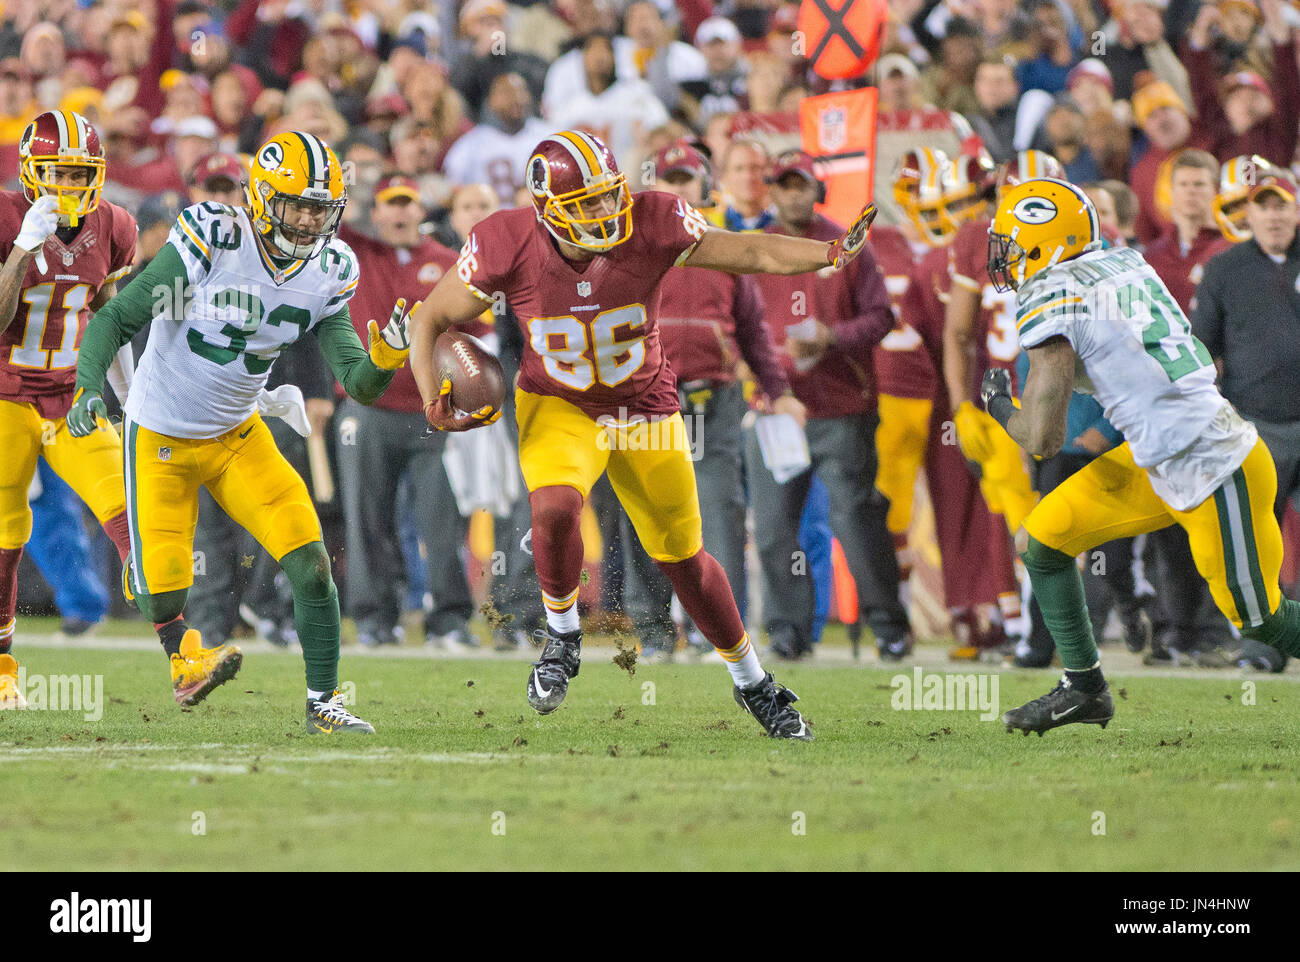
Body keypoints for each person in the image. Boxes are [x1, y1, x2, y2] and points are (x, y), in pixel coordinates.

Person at [410, 130, 878, 740]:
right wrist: (430, 399)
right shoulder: (505, 241)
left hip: (645, 407)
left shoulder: (653, 221)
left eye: (610, 197)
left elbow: (750, 252)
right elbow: (430, 319)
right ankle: (561, 634)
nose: (607, 213)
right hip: (559, 405)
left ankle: (754, 684)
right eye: (588, 204)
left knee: (683, 558)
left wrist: (827, 252)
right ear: (547, 208)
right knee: (553, 505)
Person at [69, 131, 414, 734]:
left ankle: (324, 704)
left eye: (320, 208)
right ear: (261, 198)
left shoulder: (332, 269)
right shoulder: (214, 236)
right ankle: (149, 585)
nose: (309, 221)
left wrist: (385, 356)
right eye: (297, 205)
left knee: (309, 561)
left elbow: (357, 384)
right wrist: (88, 386)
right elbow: (118, 316)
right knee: (161, 596)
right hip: (162, 435)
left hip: (237, 433)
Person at [982, 176, 1300, 734]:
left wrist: (998, 406)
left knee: (1260, 618)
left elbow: (1042, 440)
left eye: (1011, 242)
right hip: (1159, 453)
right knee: (1042, 541)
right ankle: (1085, 690)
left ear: (1043, 242)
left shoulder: (1052, 295)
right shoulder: (1123, 261)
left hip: (1213, 464)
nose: (1004, 257)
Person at [622, 141, 798, 660]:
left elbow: (752, 329)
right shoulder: (630, 245)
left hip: (711, 396)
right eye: (670, 178)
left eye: (687, 178)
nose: (678, 187)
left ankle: (717, 631)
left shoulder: (722, 246)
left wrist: (777, 389)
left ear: (704, 186)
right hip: (645, 398)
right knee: (643, 511)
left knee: (720, 512)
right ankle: (653, 631)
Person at [746, 150, 910, 661]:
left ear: (818, 190)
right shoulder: (749, 249)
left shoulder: (848, 244)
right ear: (771, 190)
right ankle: (788, 630)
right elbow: (731, 323)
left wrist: (832, 337)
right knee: (774, 529)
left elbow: (883, 317)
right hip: (776, 409)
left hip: (841, 405)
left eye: (803, 184)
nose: (794, 193)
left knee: (854, 519)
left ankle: (888, 627)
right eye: (785, 183)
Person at [0, 110, 137, 709]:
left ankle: (179, 642)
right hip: (5, 394)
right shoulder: (7, 218)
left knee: (122, 499)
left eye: (81, 173)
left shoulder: (114, 226)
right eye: (56, 172)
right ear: (31, 172)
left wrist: (128, 393)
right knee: (6, 533)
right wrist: (24, 247)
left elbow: (111, 315)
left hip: (69, 393)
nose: (70, 186)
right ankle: (4, 665)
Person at [336, 174, 474, 650]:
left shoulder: (445, 261)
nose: (399, 214)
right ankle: (374, 617)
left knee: (440, 518)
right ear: (374, 214)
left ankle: (450, 619)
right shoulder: (355, 251)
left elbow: (475, 334)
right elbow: (333, 210)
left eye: (407, 205)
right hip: (366, 405)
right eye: (390, 206)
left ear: (421, 211)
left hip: (430, 409)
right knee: (366, 517)